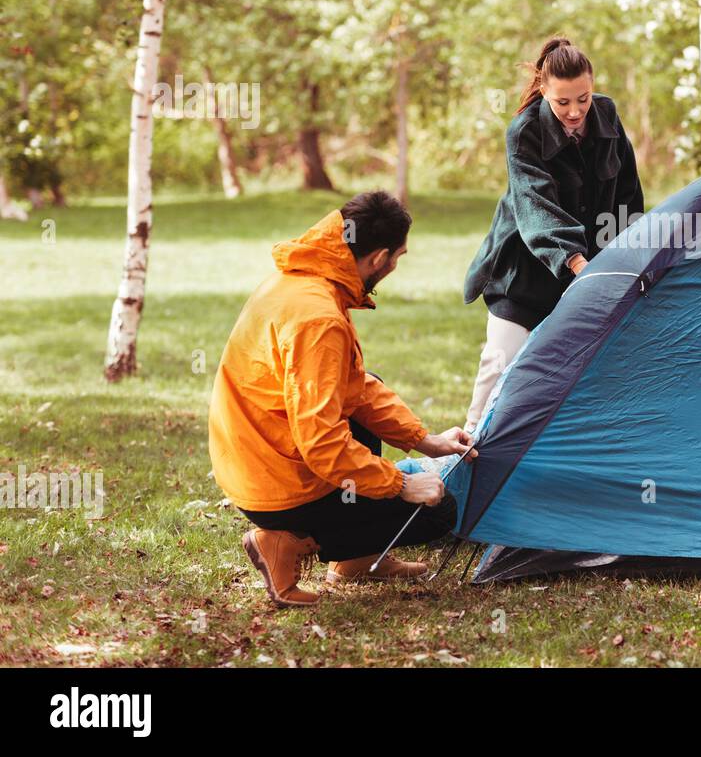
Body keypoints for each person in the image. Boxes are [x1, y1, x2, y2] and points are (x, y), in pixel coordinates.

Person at [208, 191, 476, 607]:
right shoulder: (319, 319)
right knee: (438, 512)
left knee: (370, 390)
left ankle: (355, 560)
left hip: (257, 459)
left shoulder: (303, 281)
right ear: (378, 258)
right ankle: (284, 541)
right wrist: (401, 484)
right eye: (397, 258)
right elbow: (321, 443)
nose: (394, 267)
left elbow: (357, 387)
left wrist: (425, 440)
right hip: (277, 486)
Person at [462, 37, 645, 432]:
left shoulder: (607, 115)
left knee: (584, 375)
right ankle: (465, 452)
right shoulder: (523, 131)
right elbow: (536, 207)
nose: (576, 111)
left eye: (584, 97)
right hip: (524, 272)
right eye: (563, 102)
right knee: (500, 363)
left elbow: (628, 195)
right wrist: (580, 265)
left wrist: (629, 258)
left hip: (591, 271)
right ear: (544, 91)